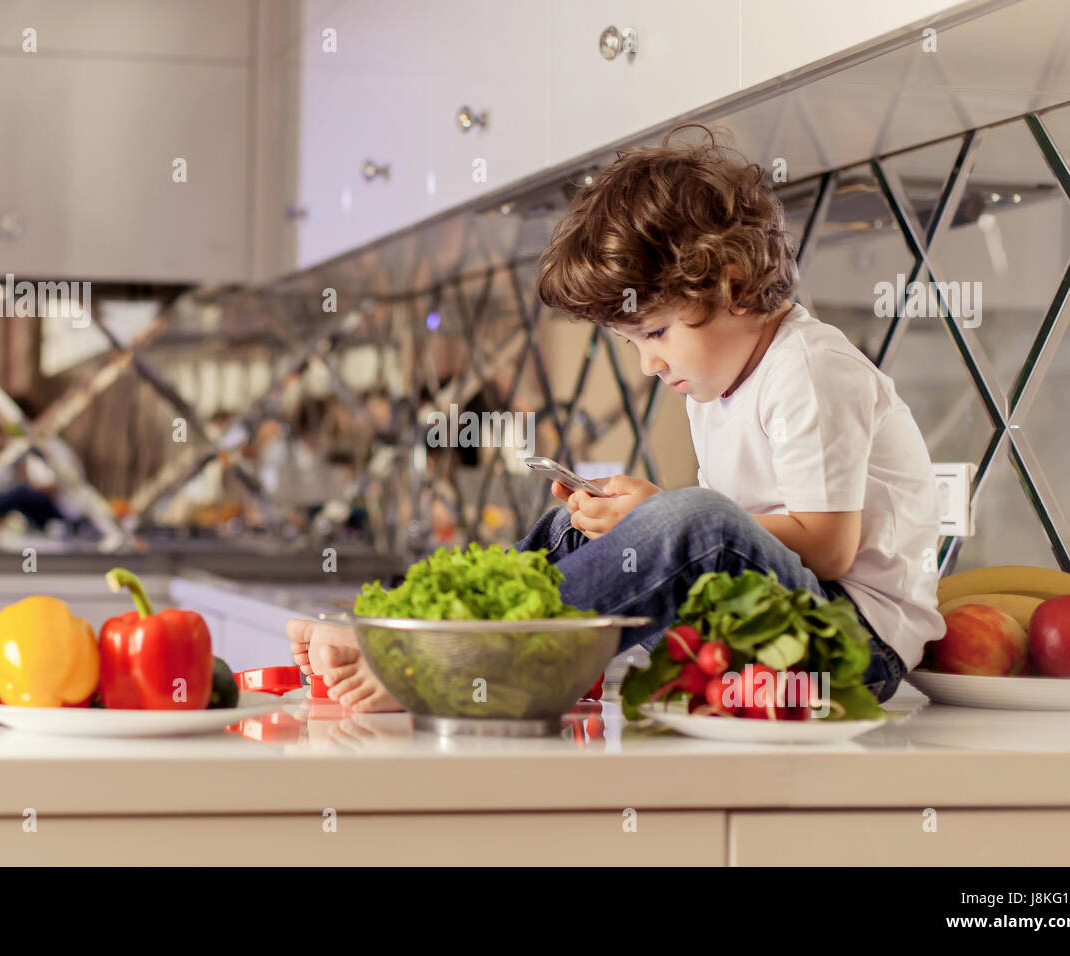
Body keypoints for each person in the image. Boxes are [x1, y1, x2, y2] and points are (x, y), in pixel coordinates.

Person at [287, 124, 944, 713]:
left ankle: (461, 661)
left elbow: (827, 544)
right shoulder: (713, 386)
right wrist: (645, 514)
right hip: (764, 622)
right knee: (575, 524)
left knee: (695, 522)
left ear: (733, 283)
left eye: (654, 332)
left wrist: (667, 514)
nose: (647, 366)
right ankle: (416, 631)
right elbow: (735, 540)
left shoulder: (807, 368)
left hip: (857, 647)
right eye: (635, 343)